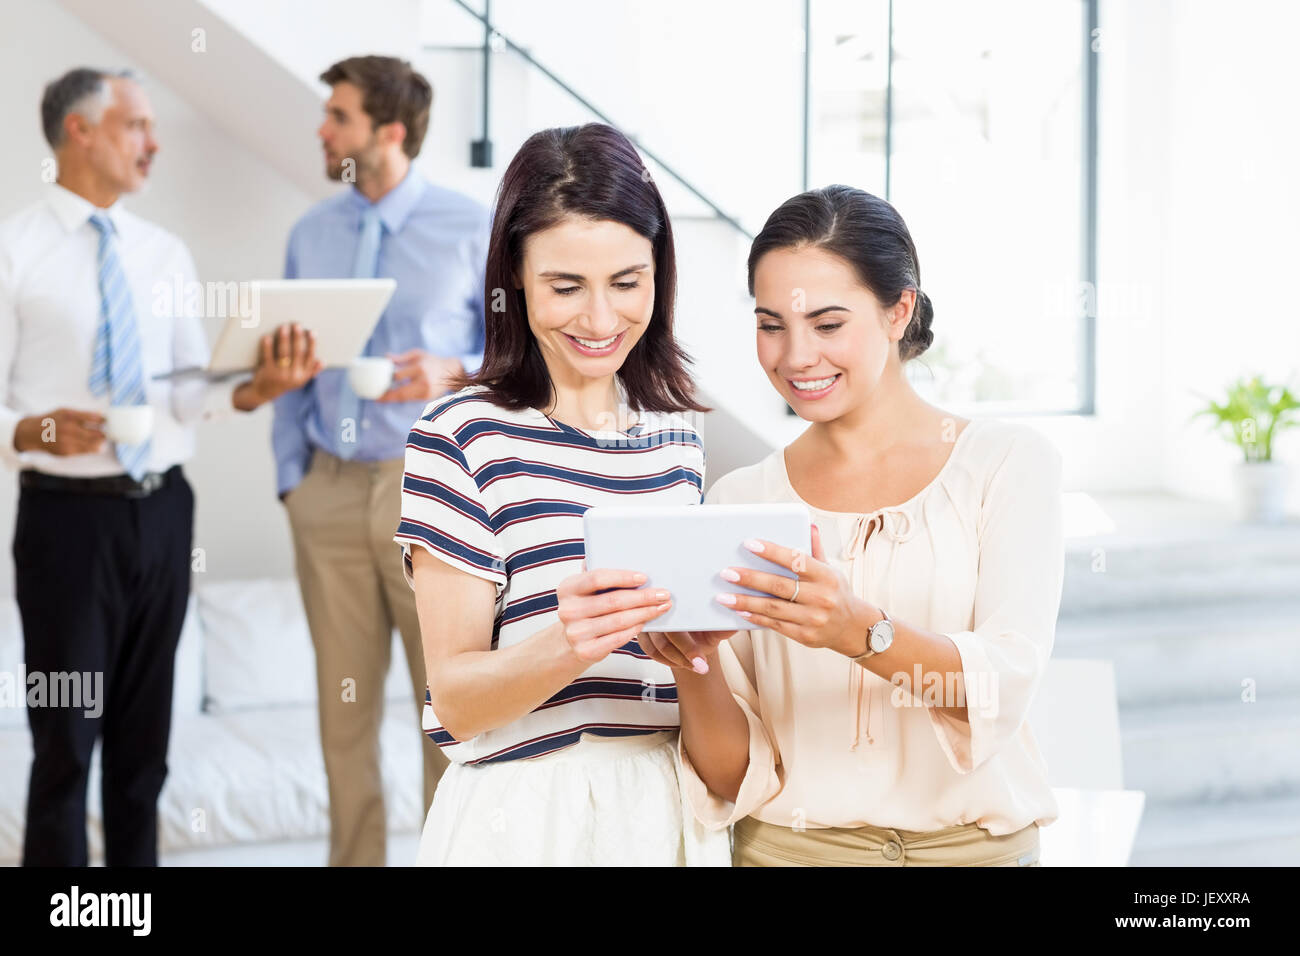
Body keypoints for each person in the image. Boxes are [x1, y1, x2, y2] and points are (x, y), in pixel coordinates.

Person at [641, 185, 1064, 866]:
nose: (796, 356)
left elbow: (998, 687)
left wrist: (860, 633)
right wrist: (690, 660)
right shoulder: (738, 501)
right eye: (771, 324)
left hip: (974, 853)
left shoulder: (1006, 465)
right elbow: (728, 776)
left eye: (828, 324)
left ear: (899, 309)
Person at [0, 68, 316, 866]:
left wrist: (255, 389)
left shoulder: (163, 253)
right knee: (66, 750)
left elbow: (186, 393)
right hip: (66, 527)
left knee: (144, 758)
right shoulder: (15, 250)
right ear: (80, 131)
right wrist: (32, 429)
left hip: (165, 513)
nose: (155, 142)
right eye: (137, 124)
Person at [394, 123, 731, 866]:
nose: (601, 320)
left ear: (659, 272)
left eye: (626, 282)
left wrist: (698, 656)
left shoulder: (674, 435)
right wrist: (568, 641)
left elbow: (688, 686)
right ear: (513, 275)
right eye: (565, 286)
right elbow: (456, 697)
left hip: (667, 810)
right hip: (524, 818)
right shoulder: (460, 435)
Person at [271, 55, 488, 866]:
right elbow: (287, 362)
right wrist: (293, 480)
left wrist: (455, 371)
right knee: (343, 712)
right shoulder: (311, 230)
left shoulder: (472, 229)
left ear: (389, 132)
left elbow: (527, 361)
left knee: (451, 707)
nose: (322, 131)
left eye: (338, 116)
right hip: (326, 490)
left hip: (429, 492)